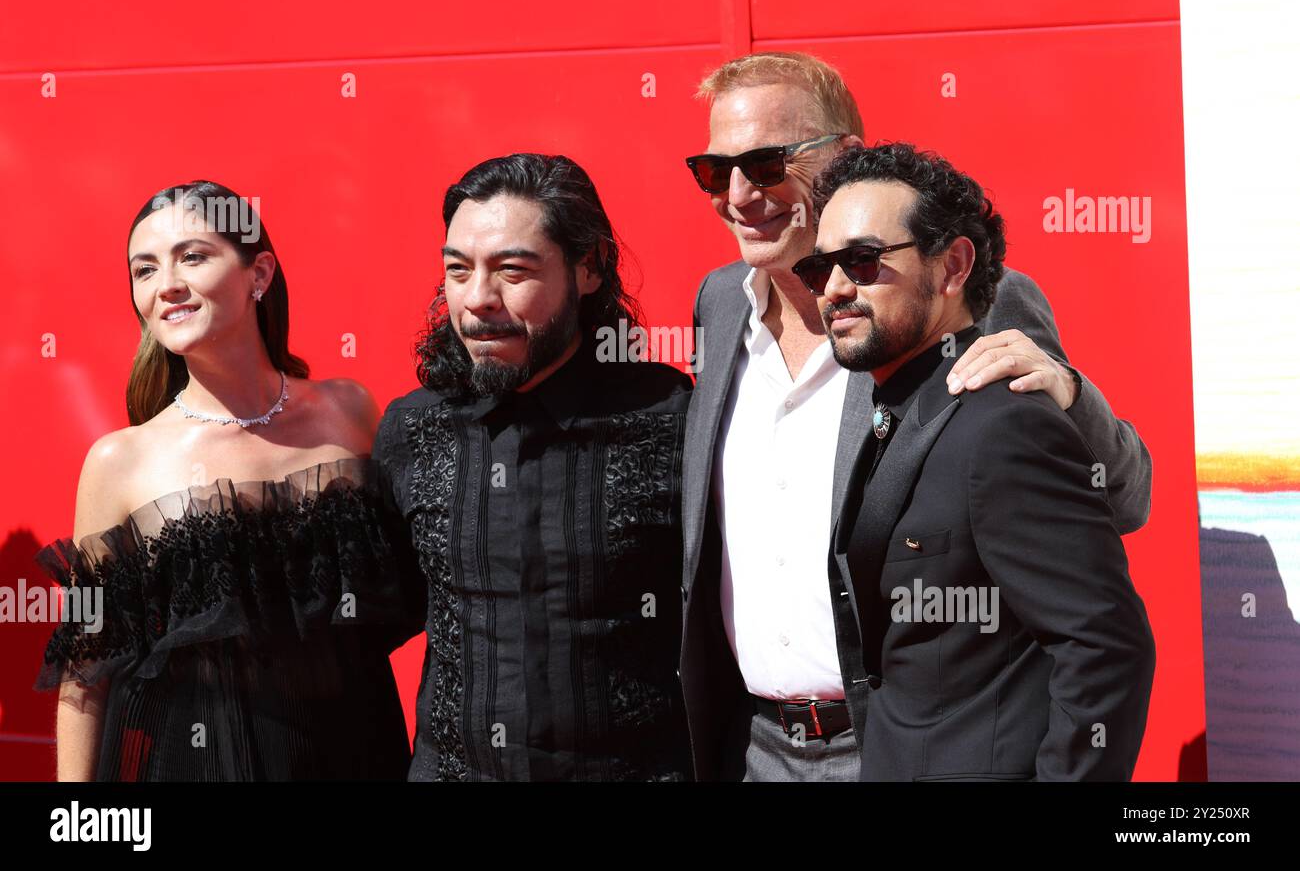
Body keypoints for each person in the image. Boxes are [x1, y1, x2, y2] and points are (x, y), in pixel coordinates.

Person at [678, 52, 1154, 780]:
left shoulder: (973, 301)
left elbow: (1122, 502)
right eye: (715, 172)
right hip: (751, 747)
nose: (740, 195)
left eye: (767, 164)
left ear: (844, 157)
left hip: (892, 744)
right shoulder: (718, 306)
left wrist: (1068, 392)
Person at [35, 180, 421, 780]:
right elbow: (85, 672)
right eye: (144, 269)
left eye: (192, 256)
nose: (166, 285)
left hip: (360, 756)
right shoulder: (119, 462)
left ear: (259, 274)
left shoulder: (349, 411)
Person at [799, 141, 1155, 779]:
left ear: (953, 266)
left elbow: (1106, 647)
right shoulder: (895, 411)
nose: (833, 288)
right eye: (819, 267)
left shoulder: (1003, 425)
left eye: (862, 259)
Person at [374, 153, 692, 781]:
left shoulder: (674, 418)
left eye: (512, 271)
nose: (478, 300)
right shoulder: (412, 429)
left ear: (591, 267)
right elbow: (375, 619)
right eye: (458, 272)